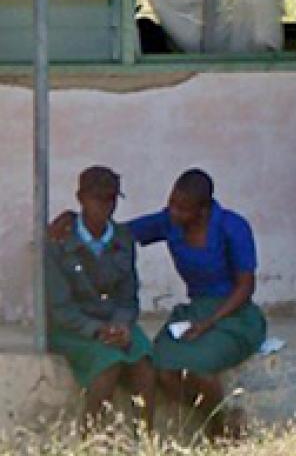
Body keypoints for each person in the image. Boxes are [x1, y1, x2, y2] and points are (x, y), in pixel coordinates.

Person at [51, 169, 265, 438]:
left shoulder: (233, 227)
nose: (174, 212)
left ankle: (218, 428)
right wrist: (74, 220)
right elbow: (115, 234)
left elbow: (246, 286)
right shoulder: (169, 222)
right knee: (162, 369)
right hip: (196, 310)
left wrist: (210, 323)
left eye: (183, 208)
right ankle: (214, 416)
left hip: (233, 314)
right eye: (171, 203)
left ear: (202, 210)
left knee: (198, 370)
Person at [46, 167, 155, 431]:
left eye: (111, 199)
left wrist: (121, 325)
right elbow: (60, 307)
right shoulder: (58, 241)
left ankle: (147, 439)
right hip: (73, 327)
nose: (105, 206)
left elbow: (128, 297)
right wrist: (98, 330)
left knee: (145, 367)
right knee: (108, 365)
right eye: (98, 199)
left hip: (115, 323)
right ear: (81, 198)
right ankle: (90, 439)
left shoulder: (123, 238)